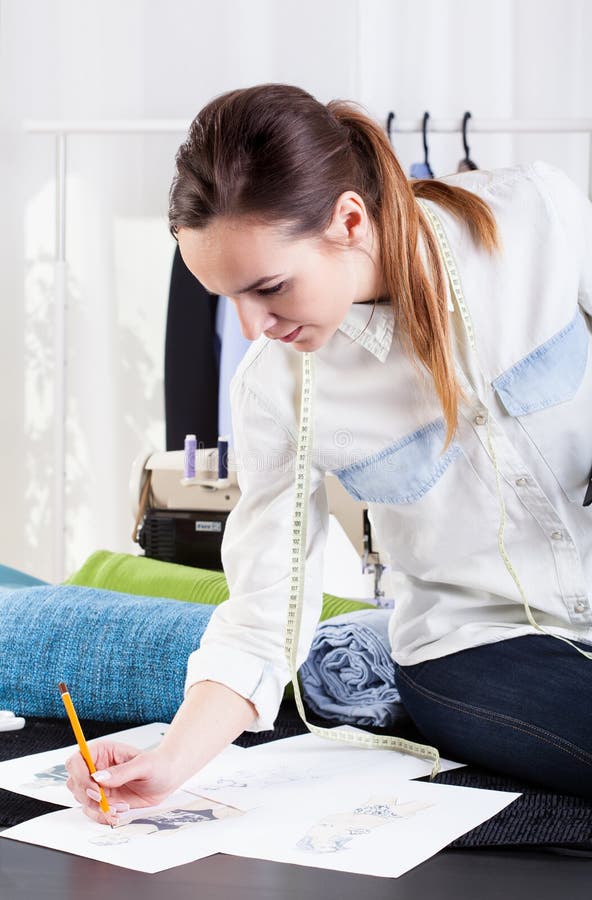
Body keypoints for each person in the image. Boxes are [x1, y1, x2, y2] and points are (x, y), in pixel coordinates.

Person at [65, 84, 592, 824]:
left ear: (348, 220)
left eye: (269, 288)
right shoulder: (275, 390)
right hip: (472, 648)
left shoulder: (539, 216)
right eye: (226, 299)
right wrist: (168, 763)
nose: (251, 327)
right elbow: (263, 616)